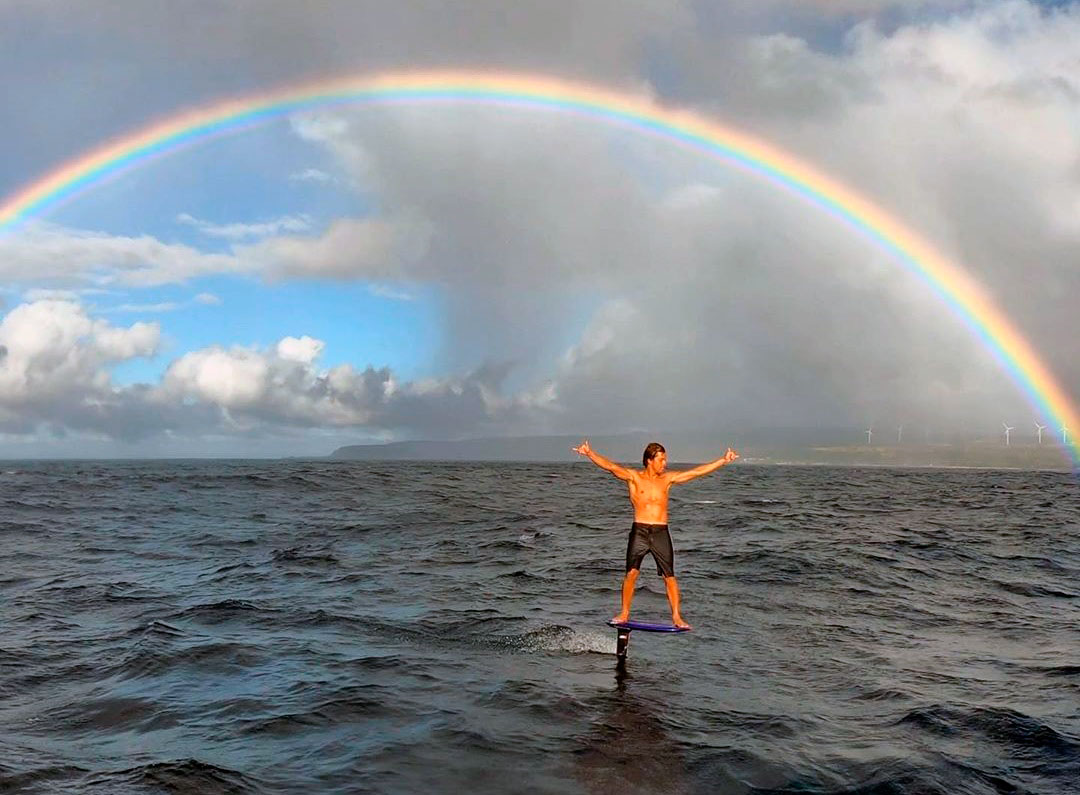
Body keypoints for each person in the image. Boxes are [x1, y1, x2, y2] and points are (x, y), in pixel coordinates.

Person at [572, 440, 739, 629]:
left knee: (670, 576)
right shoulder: (634, 477)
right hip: (640, 531)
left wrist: (723, 460)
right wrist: (589, 453)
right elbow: (610, 466)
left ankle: (676, 617)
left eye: (665, 459)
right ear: (650, 460)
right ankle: (624, 612)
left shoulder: (666, 480)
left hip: (661, 532)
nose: (665, 463)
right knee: (632, 573)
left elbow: (695, 472)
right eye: (661, 460)